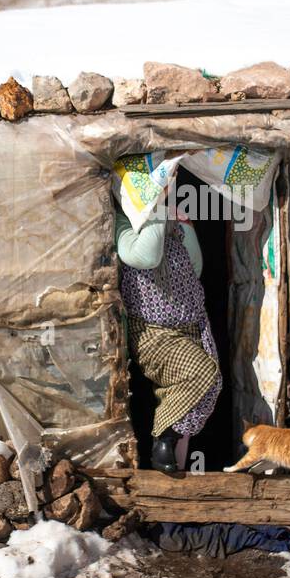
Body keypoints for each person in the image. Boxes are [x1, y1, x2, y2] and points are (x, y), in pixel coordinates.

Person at [115, 191, 221, 472]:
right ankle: (163, 436)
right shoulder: (121, 222)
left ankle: (173, 480)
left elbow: (194, 267)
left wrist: (182, 224)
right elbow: (145, 256)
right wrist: (158, 210)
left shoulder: (172, 220)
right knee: (201, 374)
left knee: (202, 394)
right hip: (153, 333)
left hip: (191, 325)